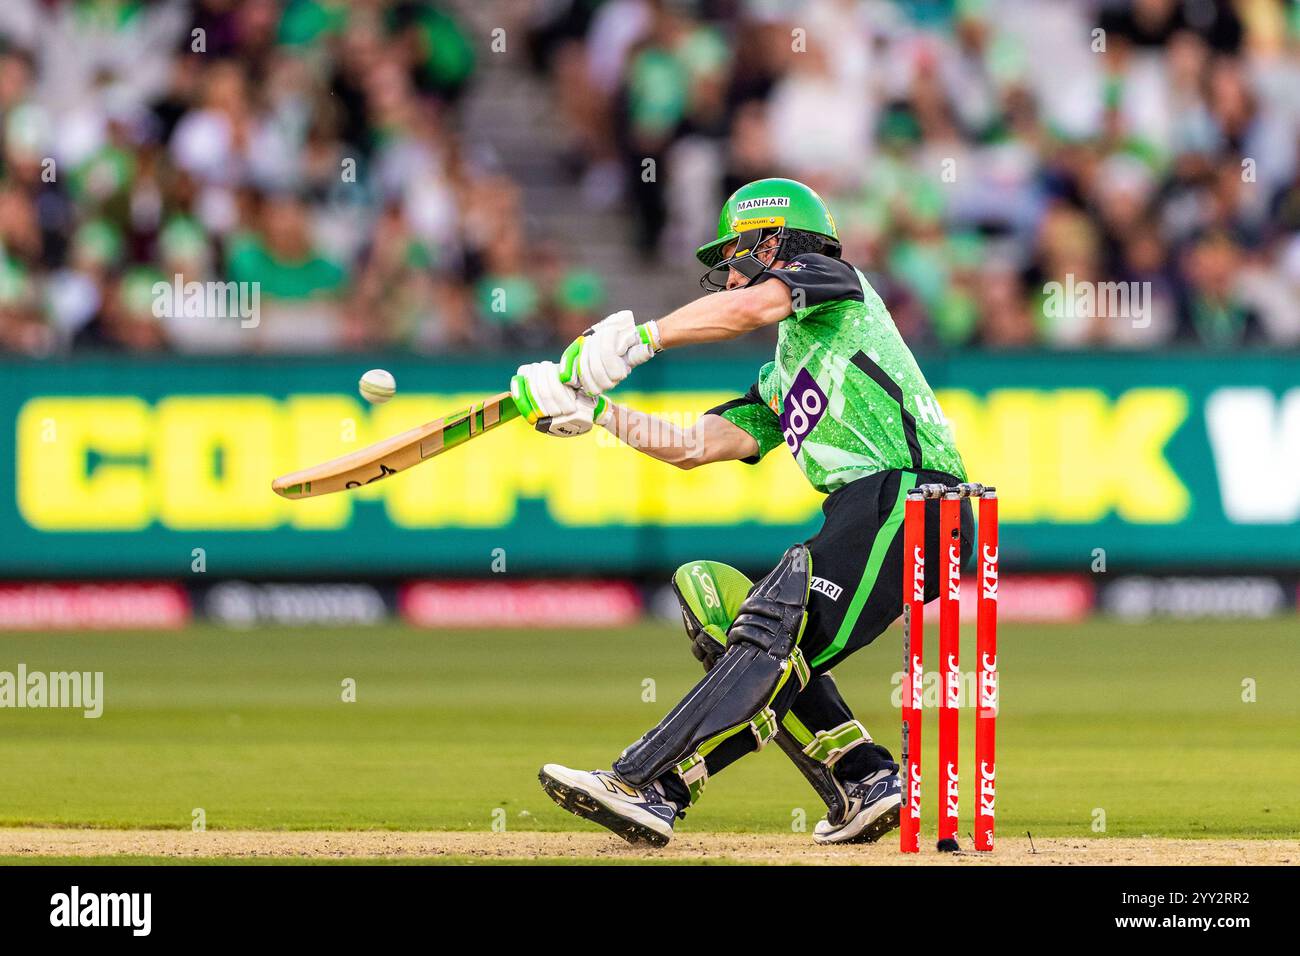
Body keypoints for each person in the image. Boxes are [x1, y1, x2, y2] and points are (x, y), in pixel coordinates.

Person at [512, 178, 973, 846]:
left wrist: (637, 342)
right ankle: (865, 779)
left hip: (917, 499)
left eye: (736, 253)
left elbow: (750, 308)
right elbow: (698, 446)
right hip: (867, 509)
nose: (727, 273)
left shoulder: (833, 280)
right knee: (732, 614)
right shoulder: (786, 371)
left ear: (777, 239)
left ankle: (646, 786)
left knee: (767, 641)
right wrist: (596, 413)